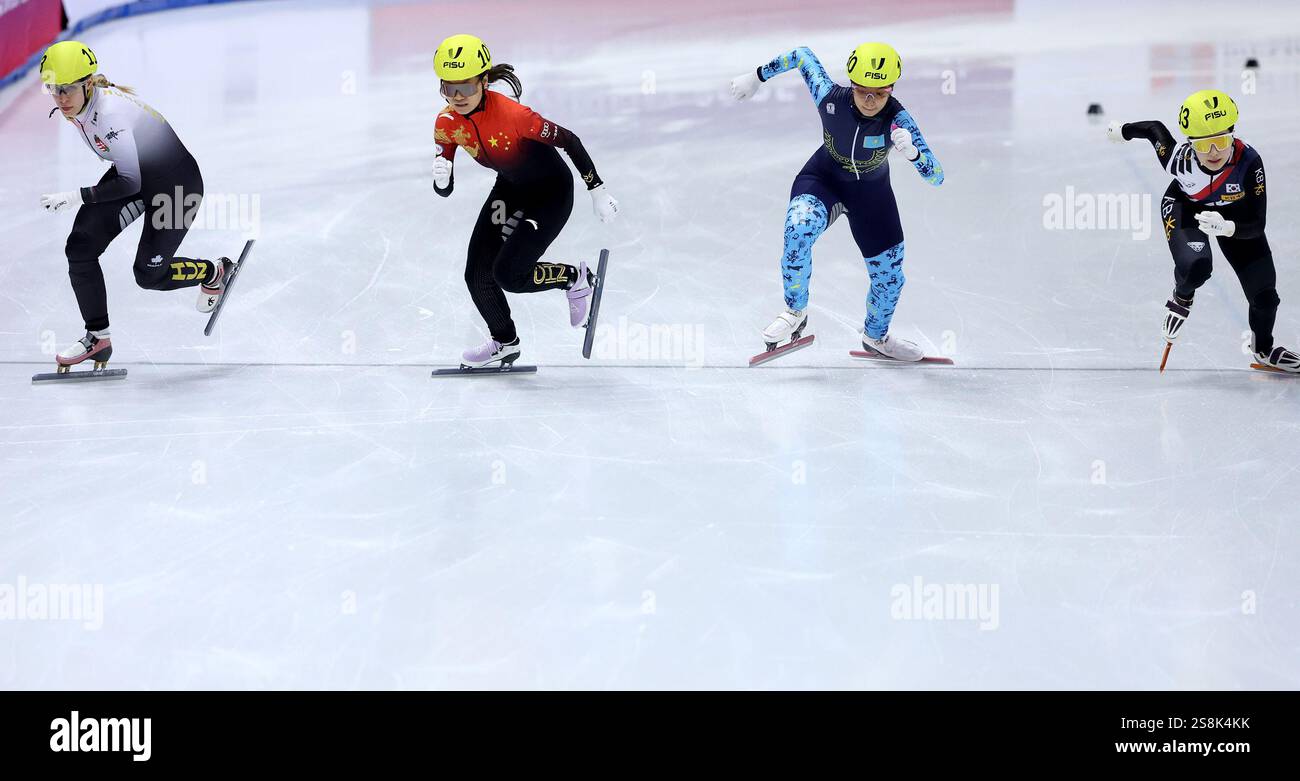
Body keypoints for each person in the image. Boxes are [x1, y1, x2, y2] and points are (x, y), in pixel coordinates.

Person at [731, 43, 944, 361]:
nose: (871, 101)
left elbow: (937, 176)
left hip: (871, 196)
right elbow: (802, 56)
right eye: (863, 92)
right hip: (824, 181)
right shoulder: (829, 97)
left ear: (892, 89)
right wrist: (757, 76)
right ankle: (795, 311)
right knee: (798, 229)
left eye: (880, 94)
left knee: (890, 278)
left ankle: (876, 337)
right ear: (852, 84)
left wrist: (914, 154)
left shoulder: (899, 119)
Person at [37, 40, 231, 372]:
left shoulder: (109, 114)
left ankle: (215, 271)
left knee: (150, 274)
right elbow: (130, 177)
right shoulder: (80, 106)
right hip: (140, 176)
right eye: (53, 90)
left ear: (87, 83)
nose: (60, 98)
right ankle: (97, 337)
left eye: (67, 89)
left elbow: (129, 183)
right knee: (81, 247)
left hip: (177, 187)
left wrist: (75, 196)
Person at [432, 33, 618, 369]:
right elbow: (444, 191)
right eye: (449, 88)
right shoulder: (446, 124)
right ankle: (504, 342)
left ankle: (573, 278)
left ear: (484, 81)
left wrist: (597, 190)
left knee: (508, 274)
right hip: (511, 188)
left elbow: (570, 140)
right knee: (476, 274)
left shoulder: (516, 117)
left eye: (466, 87)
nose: (457, 97)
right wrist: (441, 177)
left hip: (550, 193)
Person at [1108, 90, 1296, 372]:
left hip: (1236, 217)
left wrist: (1228, 227)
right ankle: (1182, 295)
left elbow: (1258, 224)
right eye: (1203, 145)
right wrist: (1123, 131)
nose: (1213, 152)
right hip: (1186, 207)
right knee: (1196, 267)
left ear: (1232, 135)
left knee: (1266, 298)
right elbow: (1154, 129)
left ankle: (1264, 350)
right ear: (1190, 143)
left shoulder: (1249, 162)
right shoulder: (1177, 159)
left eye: (1221, 141)